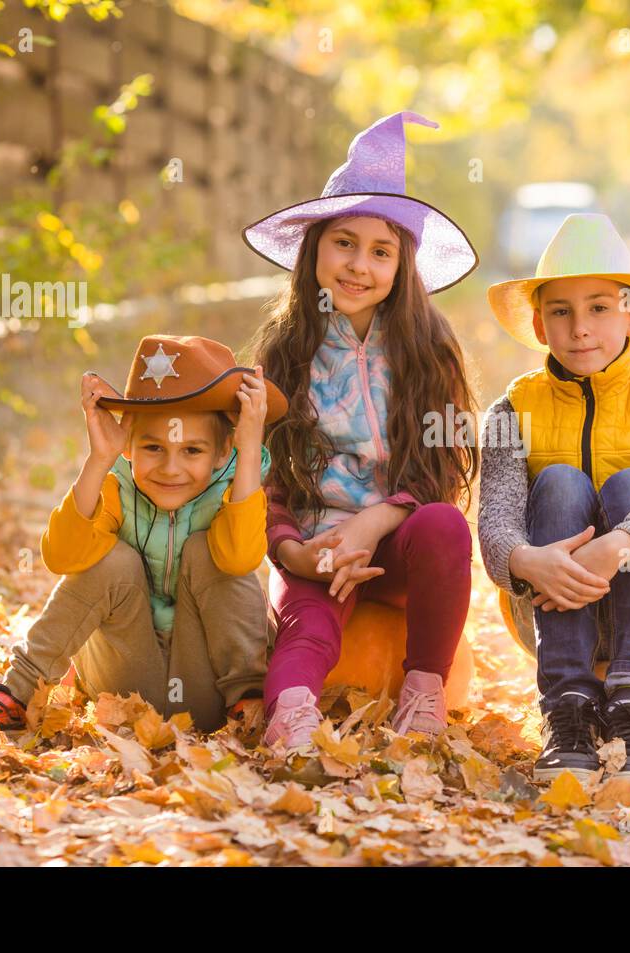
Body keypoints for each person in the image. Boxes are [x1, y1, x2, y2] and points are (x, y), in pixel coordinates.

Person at [240, 111, 480, 748]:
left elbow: (440, 473)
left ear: (403, 267)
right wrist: (295, 553)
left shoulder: (430, 350)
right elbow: (258, 475)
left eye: (381, 252)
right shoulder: (283, 353)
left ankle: (425, 691)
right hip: (316, 548)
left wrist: (374, 522)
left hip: (400, 545)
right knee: (308, 632)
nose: (358, 265)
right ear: (314, 245)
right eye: (343, 242)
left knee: (446, 527)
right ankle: (291, 721)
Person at [478, 213, 630, 785]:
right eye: (560, 311)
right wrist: (524, 559)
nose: (580, 328)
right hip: (548, 604)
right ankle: (566, 705)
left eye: (599, 307)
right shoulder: (512, 411)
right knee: (560, 482)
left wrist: (622, 542)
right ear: (540, 326)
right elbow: (494, 519)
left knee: (629, 486)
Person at [0, 335, 286, 733]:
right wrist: (99, 460)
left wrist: (248, 454)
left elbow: (241, 559)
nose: (170, 468)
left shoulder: (234, 492)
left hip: (210, 689)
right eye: (153, 448)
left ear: (222, 453)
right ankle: (13, 694)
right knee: (113, 559)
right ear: (128, 445)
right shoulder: (115, 490)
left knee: (209, 551)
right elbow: (62, 557)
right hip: (125, 686)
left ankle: (249, 703)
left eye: (192, 451)